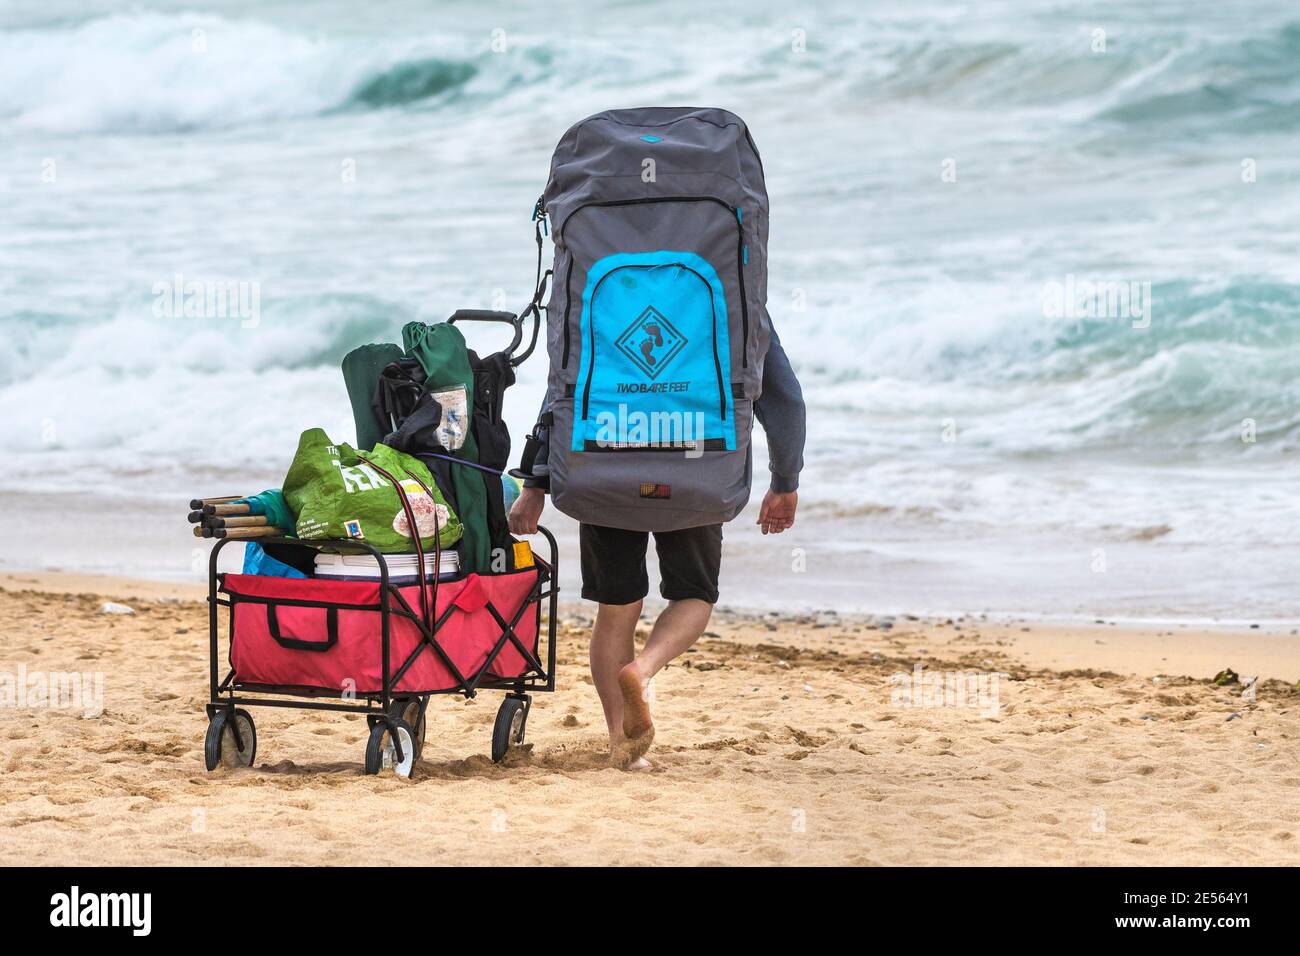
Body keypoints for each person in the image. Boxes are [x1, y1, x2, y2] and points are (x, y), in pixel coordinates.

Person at [508, 328, 806, 769]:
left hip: (604, 466)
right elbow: (785, 401)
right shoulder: (731, 297)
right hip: (696, 470)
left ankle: (622, 747)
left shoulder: (602, 297)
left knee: (617, 606)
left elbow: (563, 391)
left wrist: (534, 483)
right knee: (694, 596)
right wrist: (784, 481)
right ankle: (643, 670)